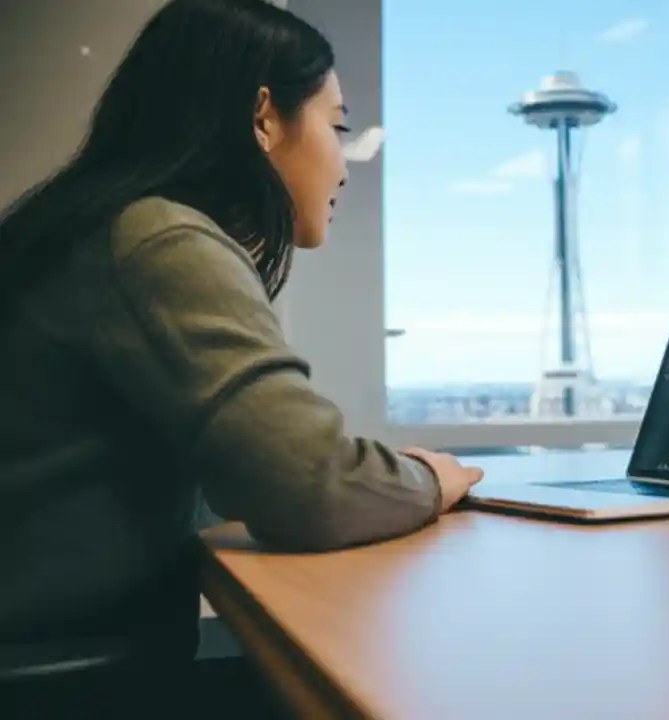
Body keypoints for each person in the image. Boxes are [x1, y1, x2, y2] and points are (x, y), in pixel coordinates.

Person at [0, 0, 483, 700]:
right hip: (73, 682)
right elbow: (308, 486)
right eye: (335, 125)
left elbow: (241, 480)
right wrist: (427, 479)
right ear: (263, 118)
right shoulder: (157, 239)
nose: (344, 167)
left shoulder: (98, 224)